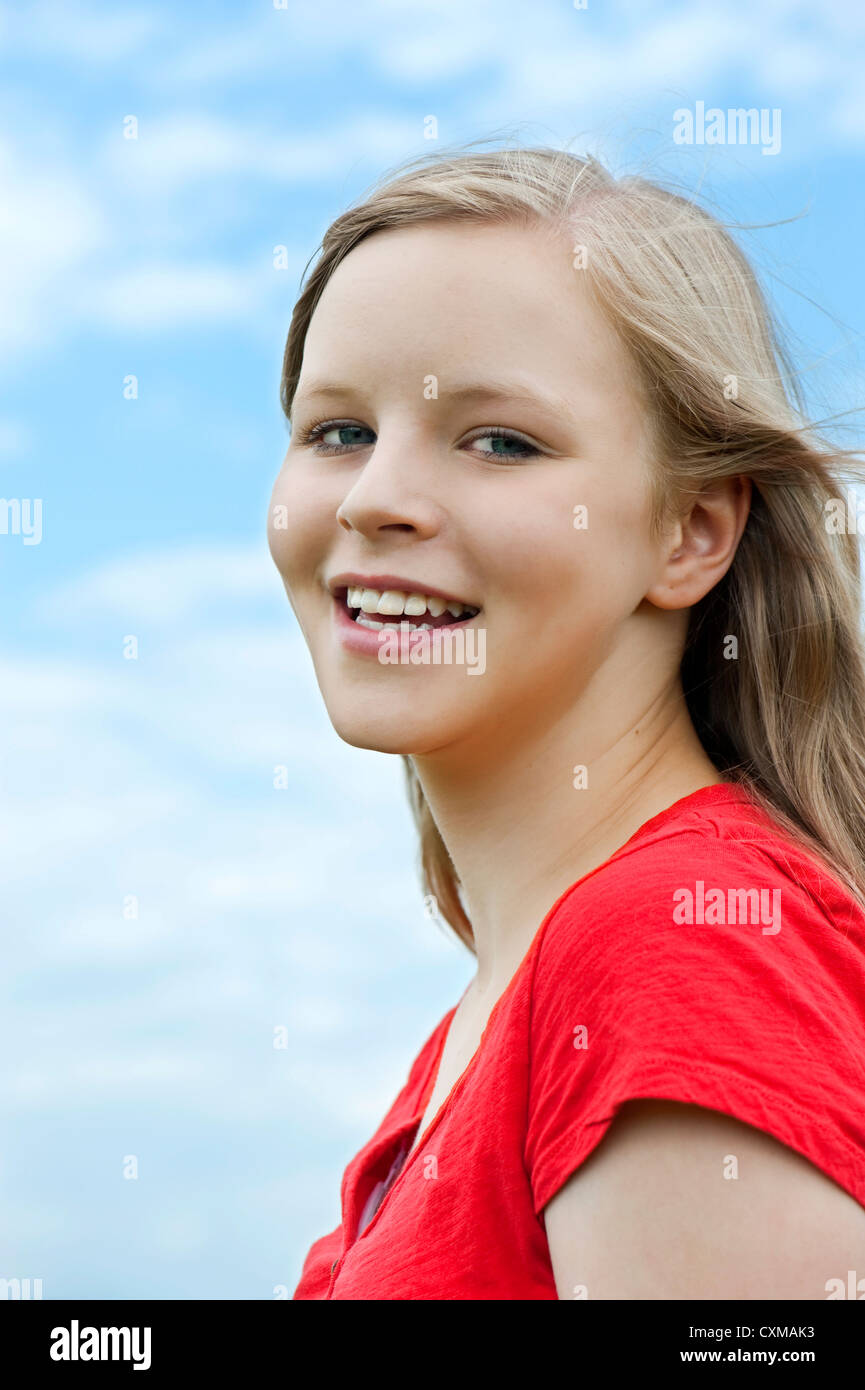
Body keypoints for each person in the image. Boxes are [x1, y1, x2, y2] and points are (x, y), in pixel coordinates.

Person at [268, 143, 865, 1300]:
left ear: (688, 530)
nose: (376, 496)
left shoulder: (669, 945)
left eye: (500, 441)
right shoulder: (498, 1015)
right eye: (337, 430)